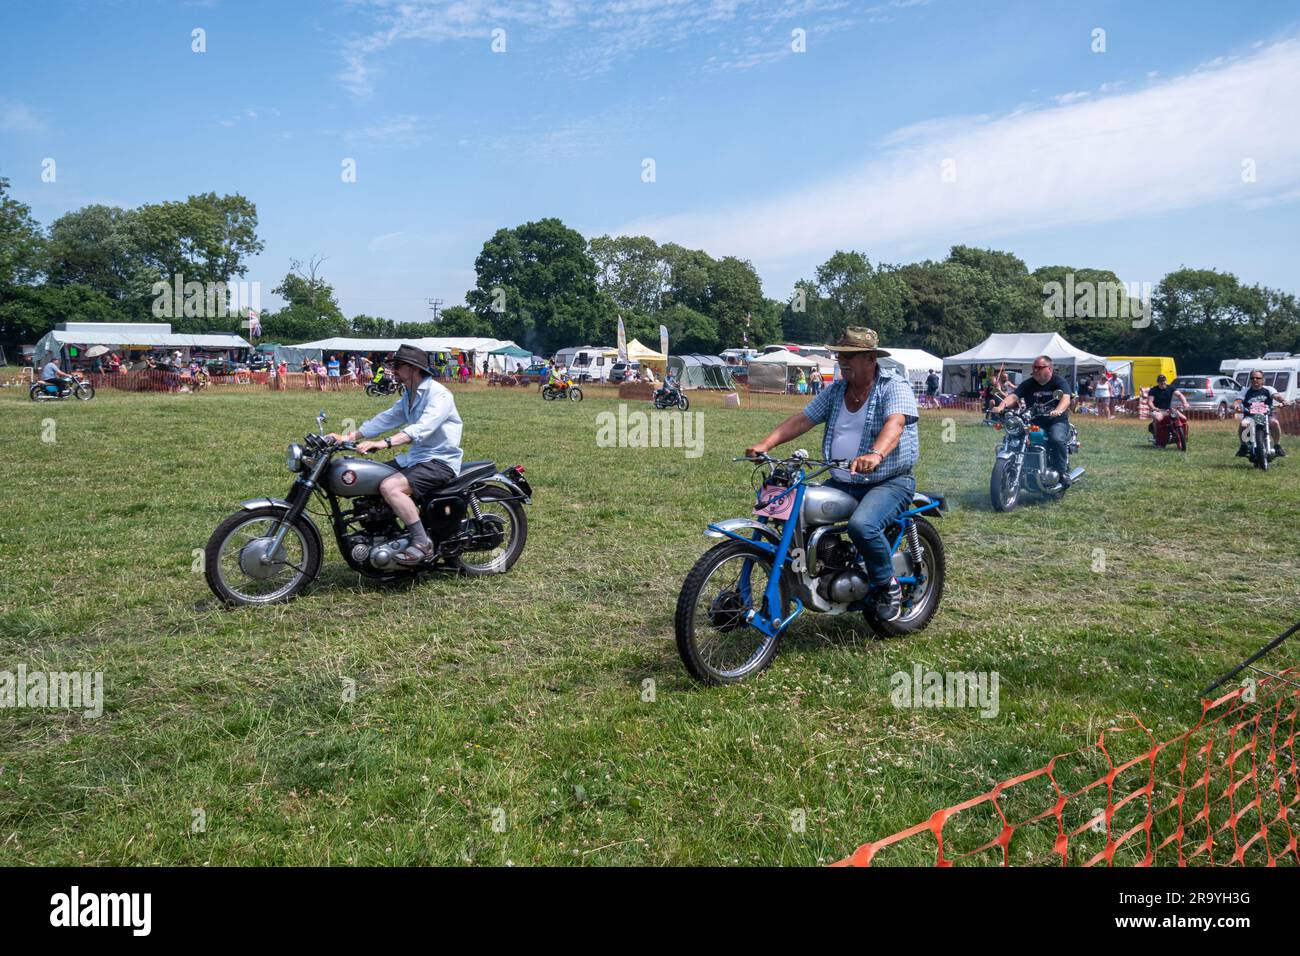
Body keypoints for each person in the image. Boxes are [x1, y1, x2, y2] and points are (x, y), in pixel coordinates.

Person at [745, 327, 919, 622]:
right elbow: (803, 420)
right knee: (797, 512)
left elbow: (896, 423)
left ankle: (887, 586)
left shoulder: (893, 386)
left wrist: (875, 454)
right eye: (840, 355)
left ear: (871, 358)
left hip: (888, 481)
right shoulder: (837, 391)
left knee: (862, 526)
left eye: (849, 355)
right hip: (843, 480)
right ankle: (823, 572)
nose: (842, 361)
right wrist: (766, 444)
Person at [328, 344, 465, 566]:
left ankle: (422, 542)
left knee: (390, 487)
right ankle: (389, 536)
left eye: (398, 365)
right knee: (373, 479)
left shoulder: (439, 394)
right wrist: (349, 436)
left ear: (413, 368)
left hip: (439, 460)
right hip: (416, 458)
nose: (394, 370)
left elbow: (421, 428)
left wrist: (384, 443)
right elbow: (387, 418)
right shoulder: (410, 394)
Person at [991, 355, 1074, 486]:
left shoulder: (1058, 381)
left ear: (1049, 368)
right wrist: (1001, 406)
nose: (1035, 370)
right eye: (1034, 367)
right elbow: (1014, 396)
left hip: (1055, 421)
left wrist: (1058, 410)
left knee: (1056, 439)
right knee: (1015, 439)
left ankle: (1062, 472)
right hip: (1033, 421)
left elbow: (1066, 398)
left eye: (1039, 367)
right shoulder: (1028, 383)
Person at [1234, 370, 1289, 457]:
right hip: (1250, 417)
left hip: (1266, 416)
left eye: (1258, 378)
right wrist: (1236, 406)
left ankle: (1277, 446)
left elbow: (1276, 396)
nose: (1255, 380)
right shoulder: (1245, 391)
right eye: (1252, 378)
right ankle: (1243, 446)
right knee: (1243, 424)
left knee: (1275, 423)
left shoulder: (1269, 389)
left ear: (1263, 379)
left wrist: (1283, 401)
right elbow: (1238, 401)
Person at [1146, 374, 1188, 438]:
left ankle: (1184, 436)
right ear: (1157, 382)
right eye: (1160, 381)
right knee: (1158, 418)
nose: (1162, 382)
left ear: (1166, 381)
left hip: (1169, 410)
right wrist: (1154, 408)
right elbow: (1150, 401)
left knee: (1184, 418)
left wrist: (1185, 403)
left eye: (1163, 380)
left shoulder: (1171, 388)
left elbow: (1180, 395)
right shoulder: (1153, 390)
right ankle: (1157, 435)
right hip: (1158, 410)